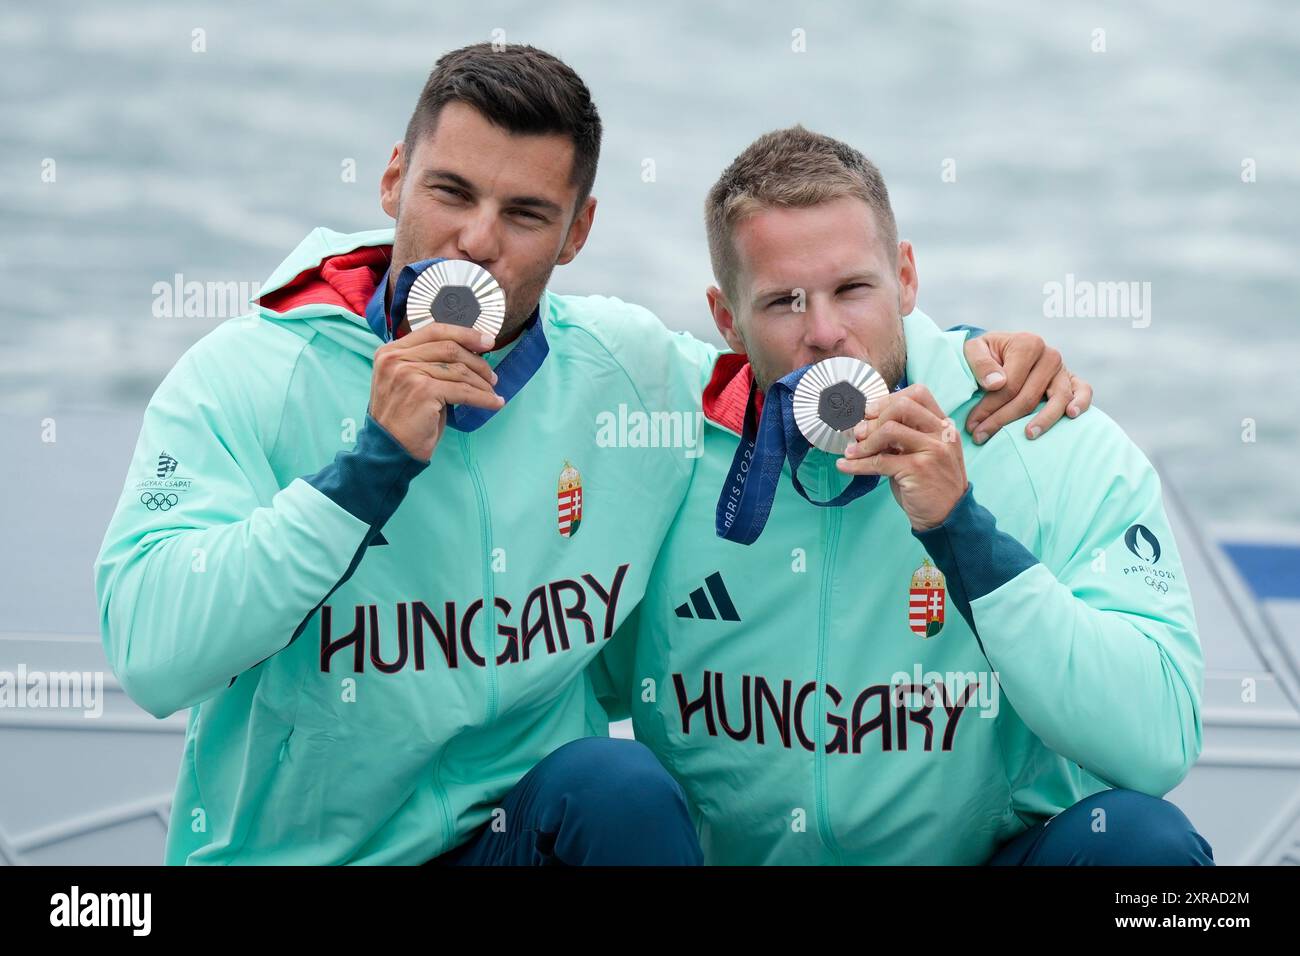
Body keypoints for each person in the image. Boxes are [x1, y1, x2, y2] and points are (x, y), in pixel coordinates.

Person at [94, 44, 1087, 865]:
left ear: (576, 232)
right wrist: (367, 469)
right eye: (449, 192)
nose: (477, 241)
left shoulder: (631, 372)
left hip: (508, 845)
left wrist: (976, 359)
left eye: (526, 214)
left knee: (614, 788)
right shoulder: (244, 376)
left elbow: (799, 362)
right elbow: (154, 654)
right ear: (394, 178)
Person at [592, 125, 1213, 865]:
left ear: (906, 278)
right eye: (784, 302)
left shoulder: (1044, 433)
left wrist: (963, 532)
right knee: (602, 783)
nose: (825, 333)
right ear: (726, 318)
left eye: (853, 289)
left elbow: (1158, 745)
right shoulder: (667, 450)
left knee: (1144, 848)